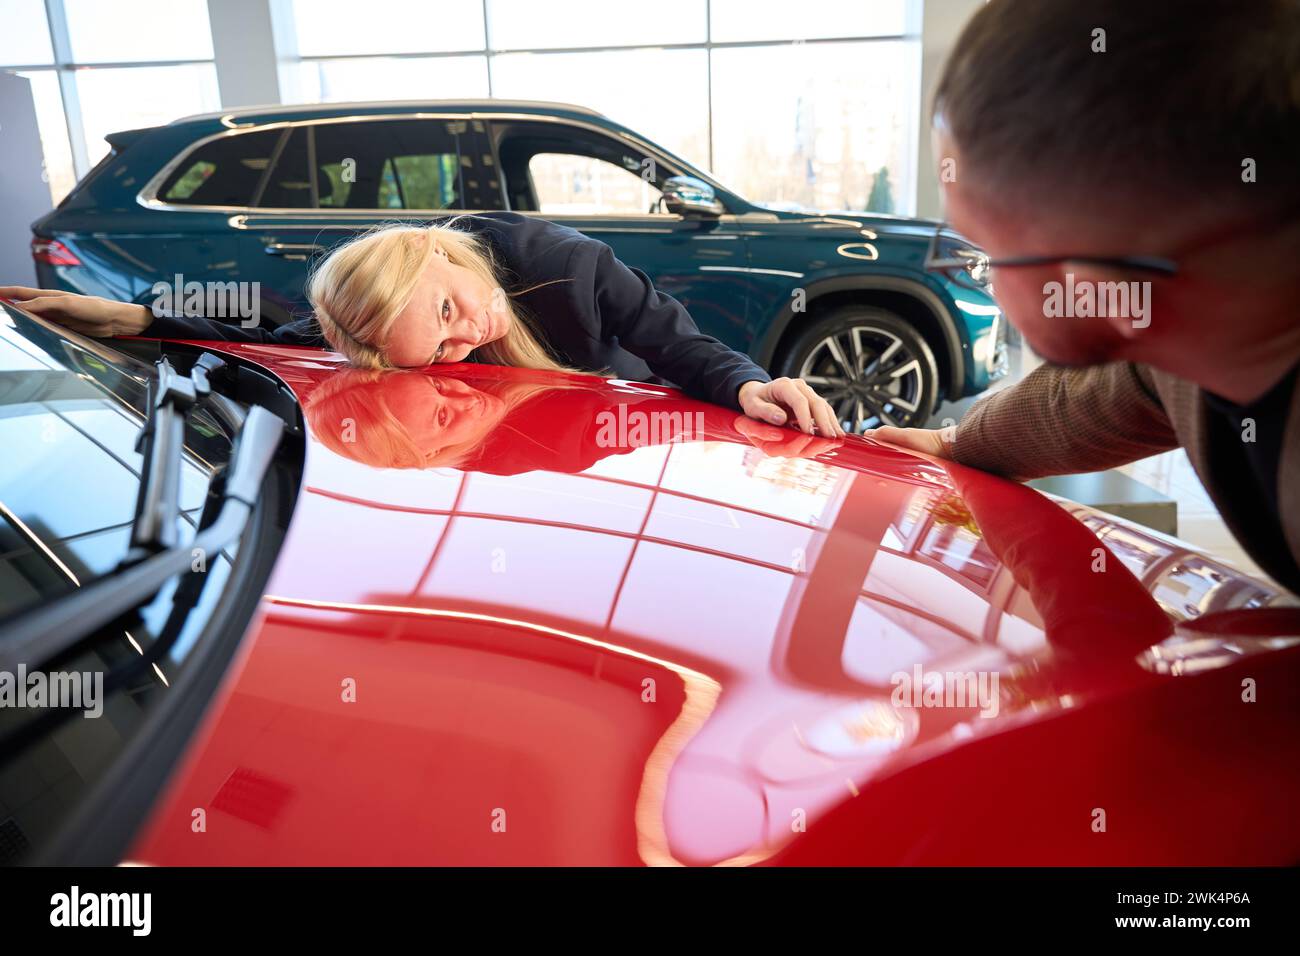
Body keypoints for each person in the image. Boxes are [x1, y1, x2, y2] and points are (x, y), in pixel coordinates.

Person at [869, 0, 1300, 593]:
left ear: (1087, 281)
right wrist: (952, 442)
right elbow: (1101, 398)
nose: (986, 278)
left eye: (985, 251)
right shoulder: (1190, 338)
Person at [2, 212, 843, 437]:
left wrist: (747, 383)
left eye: (449, 309)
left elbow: (677, 341)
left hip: (621, 432)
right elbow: (275, 328)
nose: (468, 334)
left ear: (436, 251)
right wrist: (141, 316)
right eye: (440, 347)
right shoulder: (402, 320)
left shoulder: (569, 265)